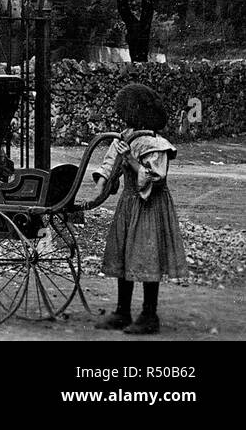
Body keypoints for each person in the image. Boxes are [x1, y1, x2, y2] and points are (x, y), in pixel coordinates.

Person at [91, 83, 188, 335]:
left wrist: (132, 162)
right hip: (129, 203)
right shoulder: (125, 137)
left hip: (149, 206)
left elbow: (156, 177)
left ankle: (149, 314)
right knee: (124, 254)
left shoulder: (155, 144)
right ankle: (123, 311)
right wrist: (102, 185)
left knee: (147, 256)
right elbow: (108, 165)